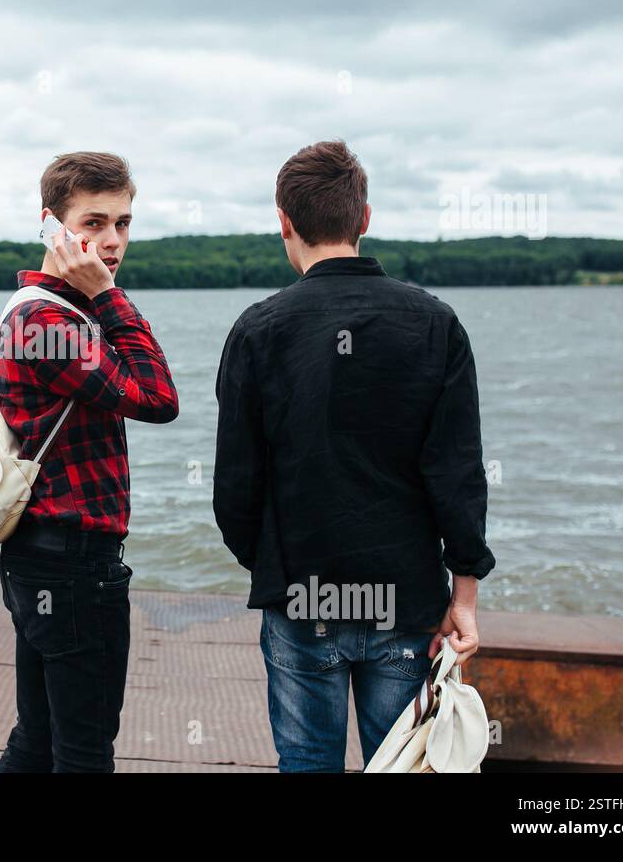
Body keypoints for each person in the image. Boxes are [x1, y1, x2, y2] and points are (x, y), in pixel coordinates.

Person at [213, 140, 495, 772]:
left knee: (307, 764)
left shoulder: (258, 330)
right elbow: (457, 473)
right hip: (404, 600)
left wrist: (271, 566)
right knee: (402, 767)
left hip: (301, 598)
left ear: (284, 222)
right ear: (364, 219)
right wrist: (465, 596)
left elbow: (235, 487)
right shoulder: (435, 325)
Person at [0, 151, 179, 772]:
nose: (112, 240)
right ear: (51, 225)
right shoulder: (48, 322)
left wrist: (97, 296)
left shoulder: (37, 310)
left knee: (39, 740)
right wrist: (108, 293)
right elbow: (157, 398)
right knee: (83, 753)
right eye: (93, 223)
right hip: (71, 565)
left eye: (123, 223)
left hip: (40, 557)